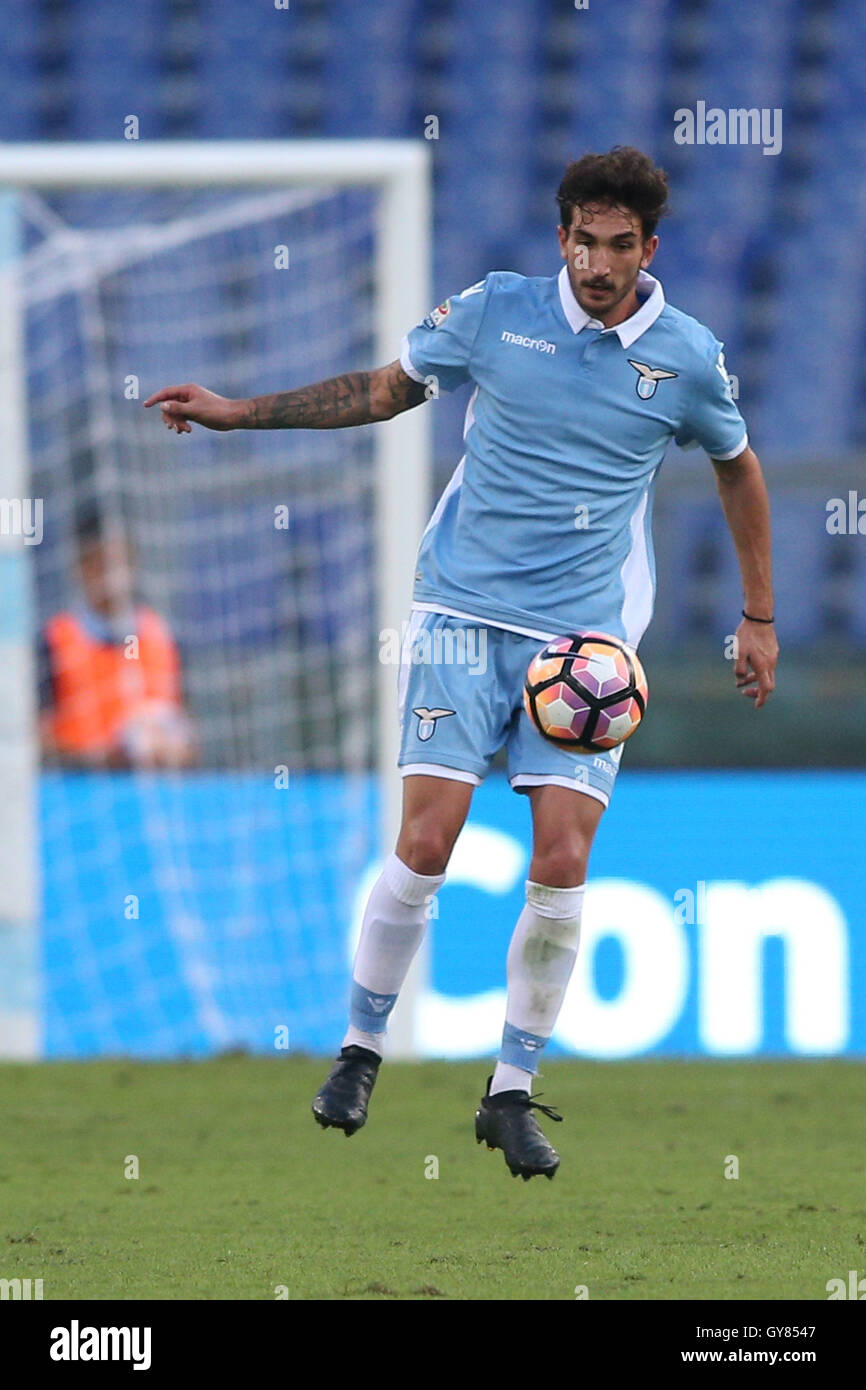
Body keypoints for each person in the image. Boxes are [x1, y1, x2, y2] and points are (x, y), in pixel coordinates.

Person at [144, 147, 778, 1181]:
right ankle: (359, 1050)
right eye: (583, 239)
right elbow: (386, 389)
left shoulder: (688, 359)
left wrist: (755, 616)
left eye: (620, 245)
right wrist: (238, 410)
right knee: (427, 839)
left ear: (648, 249)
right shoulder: (493, 311)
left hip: (584, 643)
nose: (598, 262)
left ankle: (510, 1092)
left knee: (563, 860)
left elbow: (737, 468)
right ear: (561, 235)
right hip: (458, 612)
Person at [40, 513, 196, 771]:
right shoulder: (54, 640)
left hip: (159, 793)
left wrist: (174, 748)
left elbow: (191, 732)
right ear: (81, 567)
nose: (112, 576)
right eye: (100, 563)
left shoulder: (164, 637)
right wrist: (106, 758)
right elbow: (35, 738)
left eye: (120, 562)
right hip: (76, 793)